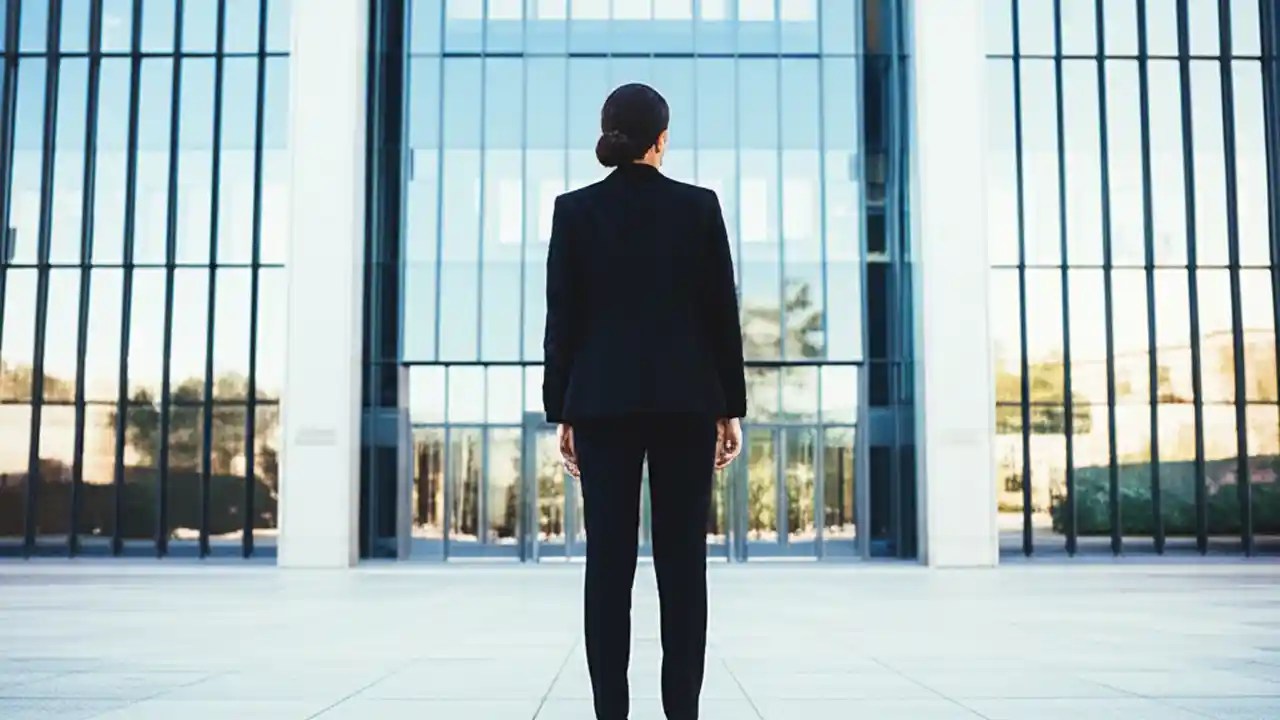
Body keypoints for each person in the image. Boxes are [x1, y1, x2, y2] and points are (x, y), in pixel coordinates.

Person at [542, 83, 748, 720]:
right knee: (683, 564)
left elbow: (562, 320)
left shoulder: (574, 212)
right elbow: (722, 315)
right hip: (688, 405)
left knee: (608, 564)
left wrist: (563, 410)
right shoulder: (699, 206)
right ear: (661, 139)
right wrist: (729, 407)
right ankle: (681, 710)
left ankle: (611, 711)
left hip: (602, 406)